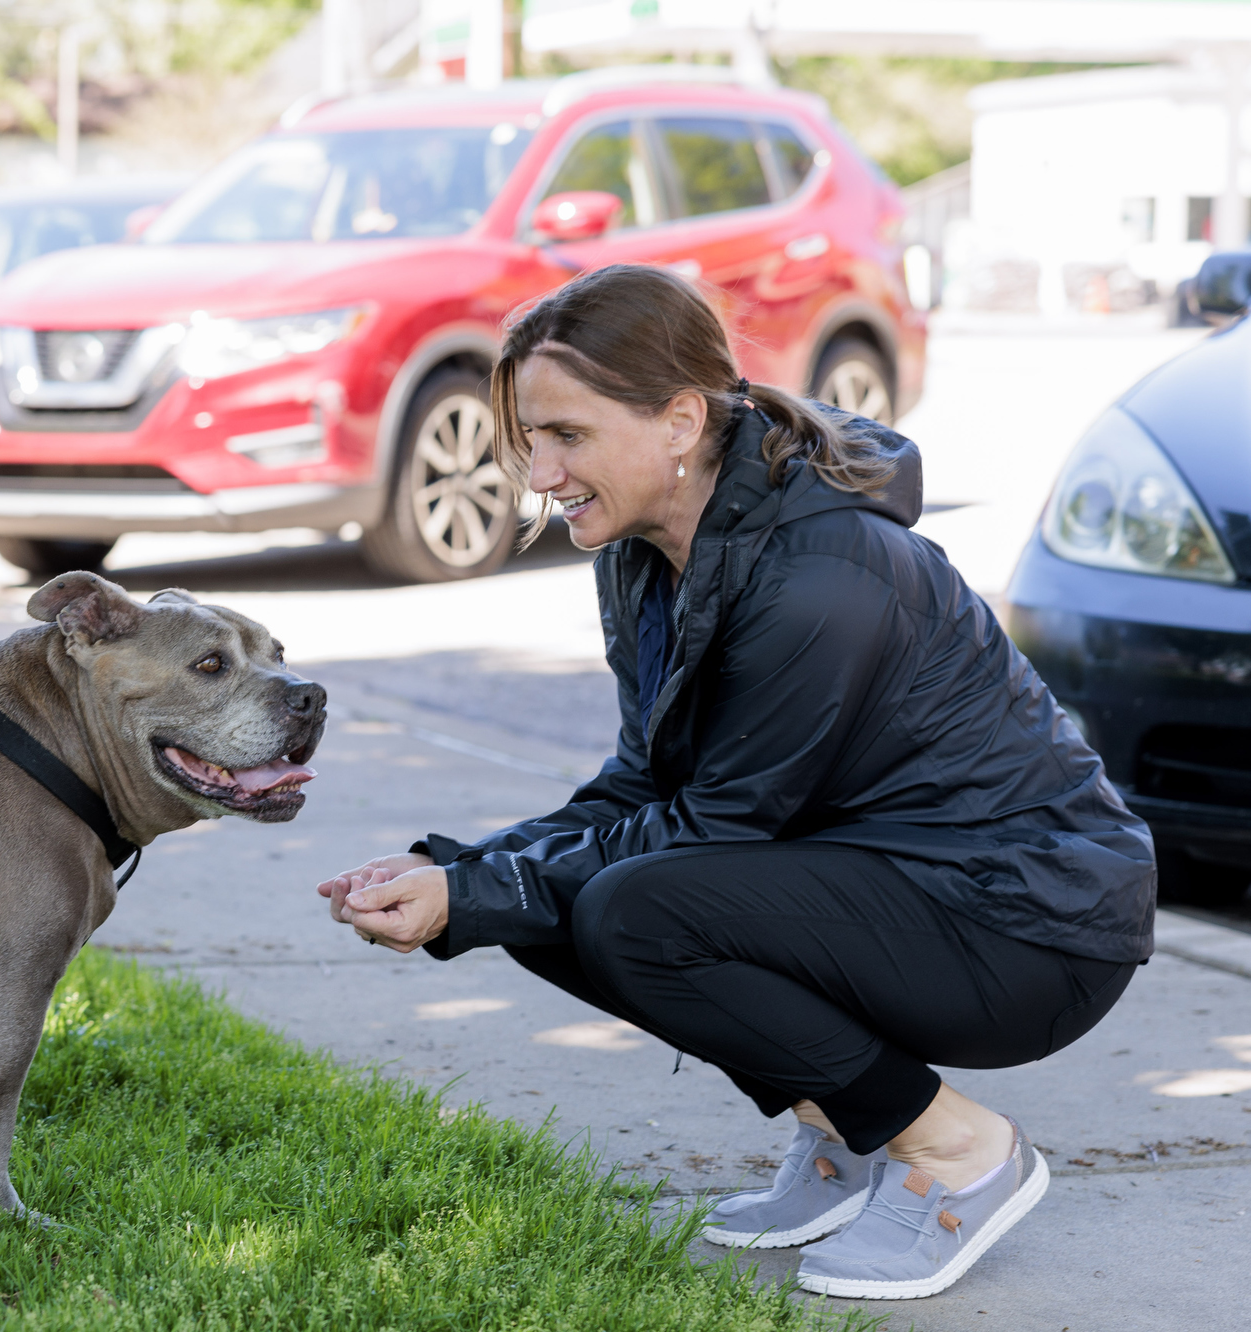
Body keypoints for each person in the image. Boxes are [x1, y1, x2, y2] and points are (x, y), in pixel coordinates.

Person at [316, 265, 1153, 1301]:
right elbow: (640, 784)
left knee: (632, 911)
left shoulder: (821, 576)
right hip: (892, 884)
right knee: (546, 904)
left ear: (676, 422)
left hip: (1030, 924)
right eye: (528, 438)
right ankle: (845, 1140)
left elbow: (715, 826)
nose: (537, 472)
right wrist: (461, 873)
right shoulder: (644, 548)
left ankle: (951, 1153)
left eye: (565, 435)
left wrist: (480, 890)